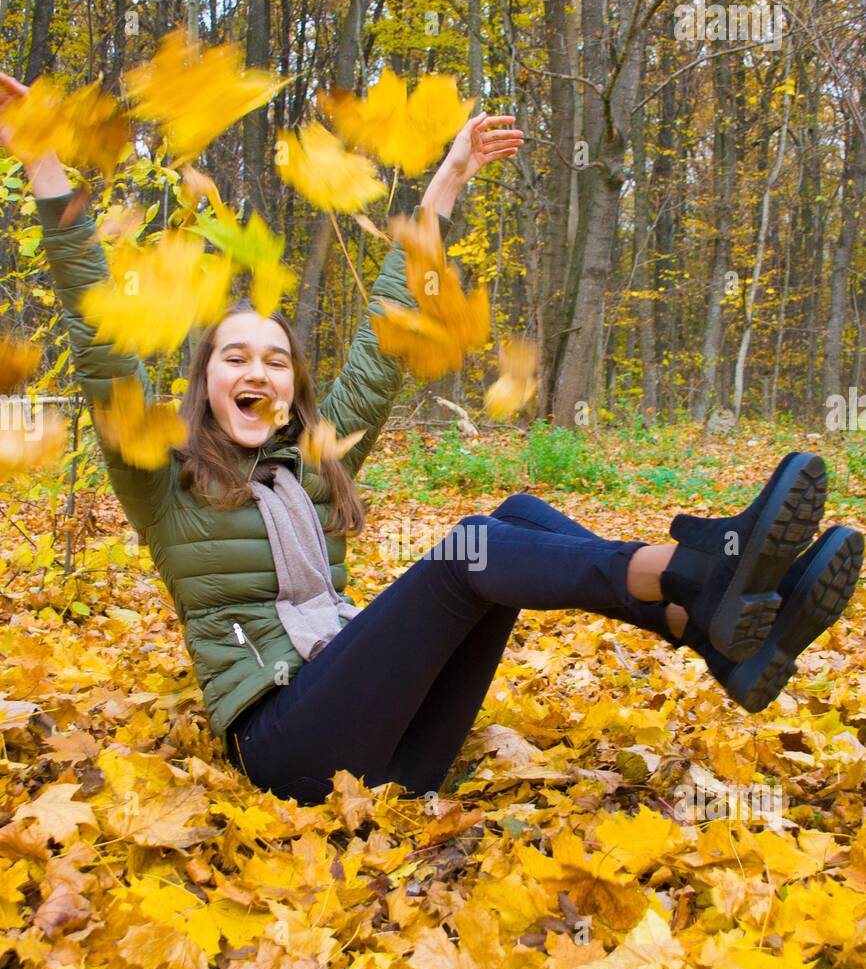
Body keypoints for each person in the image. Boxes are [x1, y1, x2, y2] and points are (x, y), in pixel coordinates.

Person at [1, 71, 862, 808]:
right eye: (235, 356)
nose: (256, 370)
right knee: (470, 552)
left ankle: (717, 620)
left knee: (517, 513)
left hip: (400, 747)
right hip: (288, 747)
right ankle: (694, 577)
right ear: (205, 382)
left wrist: (448, 178)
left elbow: (385, 334)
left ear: (295, 388)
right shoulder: (160, 474)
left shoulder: (316, 459)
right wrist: (41, 156)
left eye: (275, 358)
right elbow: (97, 335)